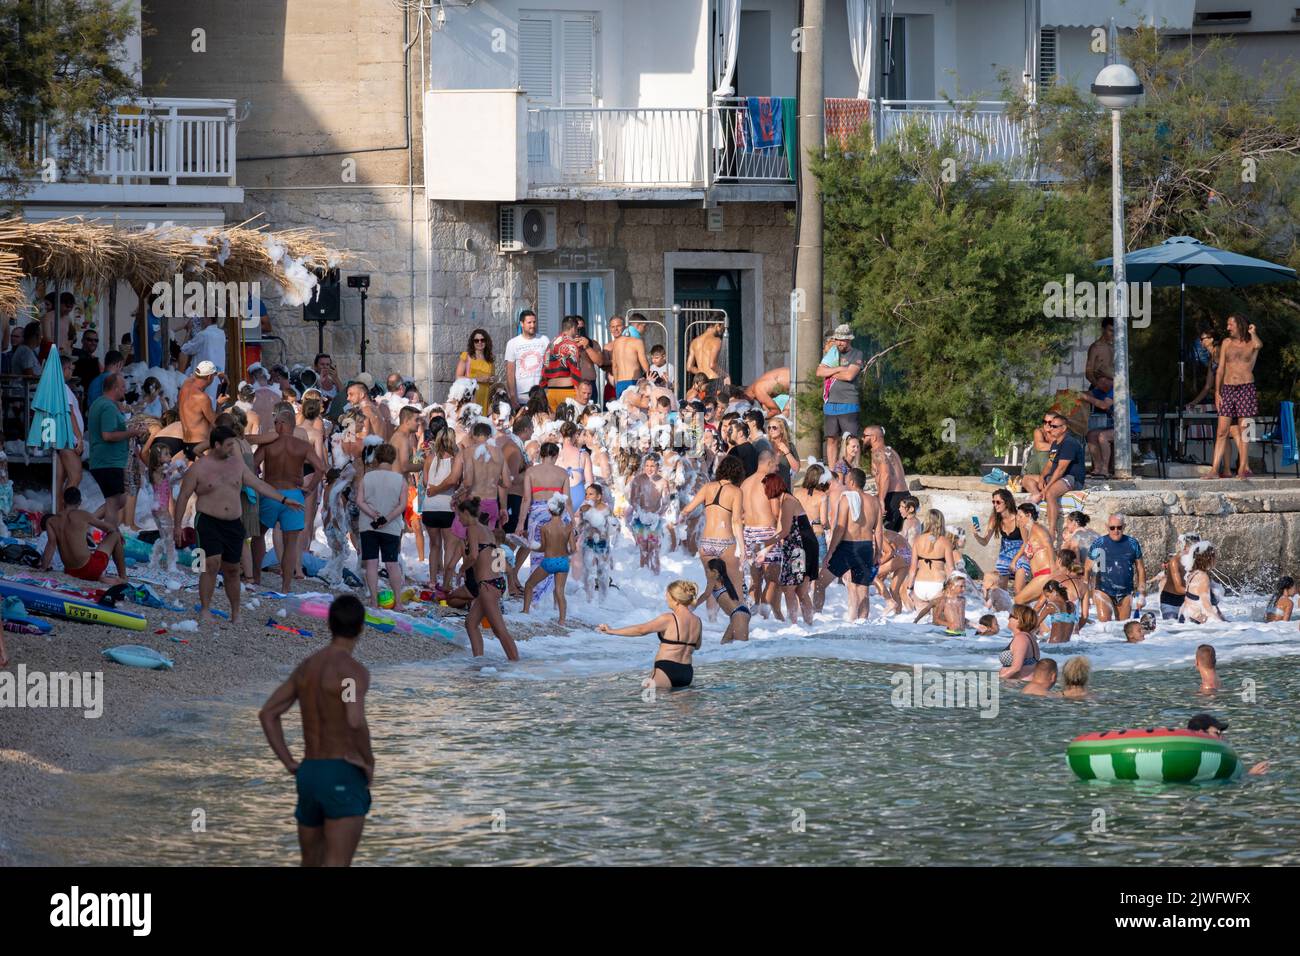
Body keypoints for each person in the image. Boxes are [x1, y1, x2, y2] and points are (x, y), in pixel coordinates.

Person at [258, 594, 373, 867]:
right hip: (341, 770)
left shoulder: (307, 668)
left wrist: (289, 762)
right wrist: (368, 762)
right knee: (336, 862)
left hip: (308, 774)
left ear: (329, 625)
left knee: (310, 862)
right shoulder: (351, 671)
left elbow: (268, 714)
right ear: (361, 628)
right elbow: (354, 720)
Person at [174, 425, 301, 625]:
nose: (233, 447)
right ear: (216, 445)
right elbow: (183, 496)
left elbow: (258, 485)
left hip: (234, 523)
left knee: (233, 569)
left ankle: (235, 612)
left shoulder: (237, 465)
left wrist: (283, 500)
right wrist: (177, 526)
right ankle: (205, 609)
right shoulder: (199, 468)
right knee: (210, 564)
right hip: (207, 521)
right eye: (229, 444)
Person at [254, 408, 325, 593]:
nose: (275, 426)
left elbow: (252, 466)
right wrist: (309, 489)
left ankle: (255, 577)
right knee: (291, 544)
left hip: (271, 492)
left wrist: (258, 483)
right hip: (294, 495)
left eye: (276, 422)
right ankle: (286, 587)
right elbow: (321, 468)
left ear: (283, 424)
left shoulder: (268, 445)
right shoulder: (302, 446)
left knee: (258, 535)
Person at [596, 580, 703, 690]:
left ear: (676, 600)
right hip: (686, 672)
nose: (666, 599)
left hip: (666, 670)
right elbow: (697, 646)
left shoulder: (669, 618)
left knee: (646, 699)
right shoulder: (697, 621)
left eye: (668, 596)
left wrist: (612, 631)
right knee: (681, 706)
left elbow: (641, 630)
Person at [680, 453, 746, 621]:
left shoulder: (708, 487)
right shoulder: (736, 491)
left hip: (707, 543)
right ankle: (738, 622)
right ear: (738, 473)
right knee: (736, 584)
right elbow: (737, 522)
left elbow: (687, 510)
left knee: (713, 584)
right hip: (726, 542)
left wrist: (679, 524)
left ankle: (712, 622)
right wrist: (743, 548)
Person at [458, 498, 520, 661]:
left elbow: (473, 555)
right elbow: (500, 560)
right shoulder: (486, 530)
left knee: (499, 631)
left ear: (466, 513)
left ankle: (517, 666)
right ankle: (478, 662)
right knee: (471, 623)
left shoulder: (472, 528)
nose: (458, 520)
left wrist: (461, 569)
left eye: (459, 516)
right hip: (496, 582)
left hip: (487, 585)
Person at [86, 372, 148, 527]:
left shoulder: (101, 404)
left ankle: (89, 524)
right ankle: (109, 536)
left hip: (106, 461)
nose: (125, 390)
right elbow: (107, 435)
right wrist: (132, 432)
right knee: (114, 503)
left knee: (118, 500)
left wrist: (129, 430)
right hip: (107, 461)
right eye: (122, 387)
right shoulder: (107, 406)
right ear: (114, 388)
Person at [1205, 314, 1262, 480]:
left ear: (1240, 325)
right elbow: (1221, 369)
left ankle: (1243, 469)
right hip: (1228, 389)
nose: (1228, 327)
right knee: (1222, 431)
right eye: (1227, 324)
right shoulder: (1226, 343)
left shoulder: (1252, 342)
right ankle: (1214, 469)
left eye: (1231, 324)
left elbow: (1259, 345)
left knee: (1245, 431)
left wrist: (1252, 332)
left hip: (1246, 388)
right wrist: (1217, 392)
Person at [762, 472, 819, 625]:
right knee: (800, 590)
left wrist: (764, 544)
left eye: (765, 487)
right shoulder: (787, 500)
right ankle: (809, 624)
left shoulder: (787, 501)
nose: (764, 491)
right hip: (803, 547)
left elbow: (785, 531)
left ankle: (793, 624)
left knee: (789, 588)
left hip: (799, 549)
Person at [356, 443, 408, 612]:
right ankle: (398, 602)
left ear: (376, 458)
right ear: (393, 459)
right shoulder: (400, 480)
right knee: (392, 564)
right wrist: (387, 518)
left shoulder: (367, 477)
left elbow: (359, 501)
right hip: (391, 526)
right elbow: (402, 505)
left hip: (368, 525)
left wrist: (373, 514)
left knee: (371, 563)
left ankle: (373, 601)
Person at [826, 467, 882, 622]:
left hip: (848, 546)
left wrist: (830, 551)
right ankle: (862, 623)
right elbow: (878, 530)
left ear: (851, 481)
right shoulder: (874, 501)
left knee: (820, 581)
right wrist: (878, 552)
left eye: (846, 479)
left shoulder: (846, 499)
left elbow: (840, 528)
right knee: (863, 588)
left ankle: (813, 618)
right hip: (866, 547)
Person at [38, 487, 128, 584]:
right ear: (79, 502)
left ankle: (101, 578)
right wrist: (118, 532)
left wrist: (43, 568)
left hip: (70, 571)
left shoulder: (51, 521)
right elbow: (110, 528)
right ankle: (123, 577)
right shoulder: (83, 515)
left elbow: (51, 545)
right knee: (115, 535)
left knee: (90, 557)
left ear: (63, 500)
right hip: (89, 569)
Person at [1022, 411, 1085, 545]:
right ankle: (1038, 495)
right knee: (1026, 479)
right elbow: (1050, 464)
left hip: (1072, 478)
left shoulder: (1069, 443)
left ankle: (1052, 531)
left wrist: (1048, 486)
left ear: (1064, 428)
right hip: (1058, 476)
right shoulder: (1056, 443)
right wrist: (1042, 478)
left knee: (1050, 493)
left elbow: (1061, 469)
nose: (1050, 428)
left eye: (1055, 426)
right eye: (1050, 426)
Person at [816, 324, 863, 472]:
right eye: (837, 339)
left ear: (849, 340)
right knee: (831, 439)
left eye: (842, 340)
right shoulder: (832, 353)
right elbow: (819, 372)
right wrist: (838, 369)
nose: (839, 343)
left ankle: (852, 470)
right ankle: (832, 471)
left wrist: (829, 372)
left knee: (851, 440)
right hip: (830, 403)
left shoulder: (857, 354)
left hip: (849, 402)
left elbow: (850, 375)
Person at [521, 494, 572, 624]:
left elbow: (543, 548)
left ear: (549, 510)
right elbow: (573, 549)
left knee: (529, 584)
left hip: (549, 561)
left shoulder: (545, 528)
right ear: (562, 510)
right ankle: (562, 620)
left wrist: (532, 546)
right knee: (560, 591)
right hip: (564, 562)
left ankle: (525, 611)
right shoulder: (568, 527)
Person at [420, 427, 460, 591]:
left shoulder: (430, 458)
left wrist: (434, 488)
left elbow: (425, 483)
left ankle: (431, 580)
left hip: (429, 507)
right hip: (447, 507)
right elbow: (456, 482)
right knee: (449, 545)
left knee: (434, 545)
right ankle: (446, 582)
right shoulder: (455, 460)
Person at [1091, 513, 1146, 621]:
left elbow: (1140, 568)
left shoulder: (1132, 544)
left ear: (1124, 527)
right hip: (1103, 590)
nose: (1116, 530)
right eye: (1112, 528)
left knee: (1122, 627)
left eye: (1119, 527)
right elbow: (1089, 568)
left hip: (1125, 592)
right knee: (1104, 626)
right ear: (1107, 527)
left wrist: (1142, 593)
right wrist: (1088, 592)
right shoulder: (1099, 543)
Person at [1186, 714, 1270, 775]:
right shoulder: (1193, 758)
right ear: (1201, 733)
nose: (1222, 737)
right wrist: (1251, 775)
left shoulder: (1211, 757)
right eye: (1217, 733)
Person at [628, 452, 669, 575]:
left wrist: (657, 515)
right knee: (643, 548)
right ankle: (644, 574)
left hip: (655, 520)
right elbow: (633, 499)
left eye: (652, 466)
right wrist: (640, 512)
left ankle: (655, 575)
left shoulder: (663, 482)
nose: (649, 468)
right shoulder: (638, 480)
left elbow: (666, 502)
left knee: (654, 548)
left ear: (658, 466)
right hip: (640, 518)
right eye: (647, 465)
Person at [864, 425, 908, 533]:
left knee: (885, 535)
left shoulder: (877, 452)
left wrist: (881, 499)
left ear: (873, 438)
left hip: (892, 497)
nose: (862, 438)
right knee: (898, 536)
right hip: (905, 495)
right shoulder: (891, 451)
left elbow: (885, 475)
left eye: (865, 436)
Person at [696, 558, 751, 644]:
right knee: (725, 645)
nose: (706, 573)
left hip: (738, 614)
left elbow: (706, 595)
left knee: (741, 649)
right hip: (739, 612)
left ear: (715, 572)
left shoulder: (713, 580)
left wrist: (693, 606)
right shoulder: (724, 580)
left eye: (707, 570)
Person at [1010, 503, 1055, 604]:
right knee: (1035, 605)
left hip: (1046, 573)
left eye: (1020, 516)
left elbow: (1049, 547)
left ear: (1029, 515)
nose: (1018, 518)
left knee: (1018, 600)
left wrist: (1053, 573)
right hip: (1040, 574)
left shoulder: (1037, 528)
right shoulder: (1031, 531)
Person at [906, 509, 954, 604]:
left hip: (919, 585)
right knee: (937, 618)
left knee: (920, 617)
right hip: (937, 585)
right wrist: (951, 588)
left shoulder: (918, 540)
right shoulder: (945, 542)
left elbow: (912, 569)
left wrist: (909, 588)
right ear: (941, 522)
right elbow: (951, 568)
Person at [504, 310, 549, 408]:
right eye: (529, 322)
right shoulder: (512, 343)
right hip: (521, 396)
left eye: (534, 322)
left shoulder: (544, 340)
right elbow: (510, 372)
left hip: (541, 394)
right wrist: (512, 395)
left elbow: (549, 365)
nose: (532, 325)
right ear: (521, 324)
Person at [180, 314, 226, 402]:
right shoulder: (221, 334)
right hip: (218, 377)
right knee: (215, 405)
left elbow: (185, 349)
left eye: (203, 317)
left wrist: (189, 331)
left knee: (203, 405)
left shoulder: (203, 335)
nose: (201, 319)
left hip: (204, 379)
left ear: (208, 318)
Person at [179, 360, 219, 455]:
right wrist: (219, 404)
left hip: (186, 443)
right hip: (201, 446)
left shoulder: (185, 385)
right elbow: (216, 423)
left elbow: (196, 378)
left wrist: (217, 374)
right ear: (209, 377)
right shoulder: (203, 398)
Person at [1157, 532, 1199, 620]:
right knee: (1174, 628)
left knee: (1194, 629)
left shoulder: (1196, 561)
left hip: (1187, 599)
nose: (1196, 552)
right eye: (1194, 548)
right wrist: (1199, 593)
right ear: (1185, 547)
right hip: (1170, 601)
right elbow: (1178, 588)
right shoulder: (1175, 562)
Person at [1181, 544, 1224, 624]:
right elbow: (1206, 605)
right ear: (1208, 558)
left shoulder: (1193, 574)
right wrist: (1219, 622)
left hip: (1188, 618)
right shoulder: (1203, 577)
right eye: (1214, 556)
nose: (1215, 559)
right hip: (1196, 621)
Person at [609, 316, 650, 399]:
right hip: (634, 382)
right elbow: (644, 363)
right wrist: (649, 379)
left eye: (618, 326)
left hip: (620, 383)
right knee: (636, 411)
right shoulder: (637, 342)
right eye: (613, 327)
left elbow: (614, 366)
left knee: (622, 410)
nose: (616, 329)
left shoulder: (615, 343)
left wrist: (617, 383)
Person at [456, 328, 496, 410]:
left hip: (485, 398)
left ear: (486, 341)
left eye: (482, 340)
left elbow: (491, 382)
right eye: (476, 341)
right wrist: (478, 379)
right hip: (470, 398)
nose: (479, 342)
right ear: (472, 343)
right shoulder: (466, 356)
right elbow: (458, 377)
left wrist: (492, 380)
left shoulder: (490, 360)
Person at [998, 604, 1041, 679]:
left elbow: (1016, 668)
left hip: (1017, 685)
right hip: (1020, 684)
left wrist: (996, 680)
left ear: (1019, 619)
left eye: (1011, 616)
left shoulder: (1021, 638)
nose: (1008, 618)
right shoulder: (1029, 636)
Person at [684, 322, 724, 388]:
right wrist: (725, 375)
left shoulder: (694, 341)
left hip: (700, 382)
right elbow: (712, 365)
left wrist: (702, 374)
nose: (723, 330)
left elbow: (689, 367)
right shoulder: (716, 340)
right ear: (717, 325)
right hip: (713, 381)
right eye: (723, 326)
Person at [1085, 316, 1114, 390]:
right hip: (1097, 390)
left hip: (1112, 389)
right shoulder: (1095, 348)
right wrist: (1099, 387)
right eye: (1110, 330)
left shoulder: (1113, 348)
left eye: (1114, 331)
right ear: (1103, 330)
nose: (1113, 334)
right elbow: (1088, 373)